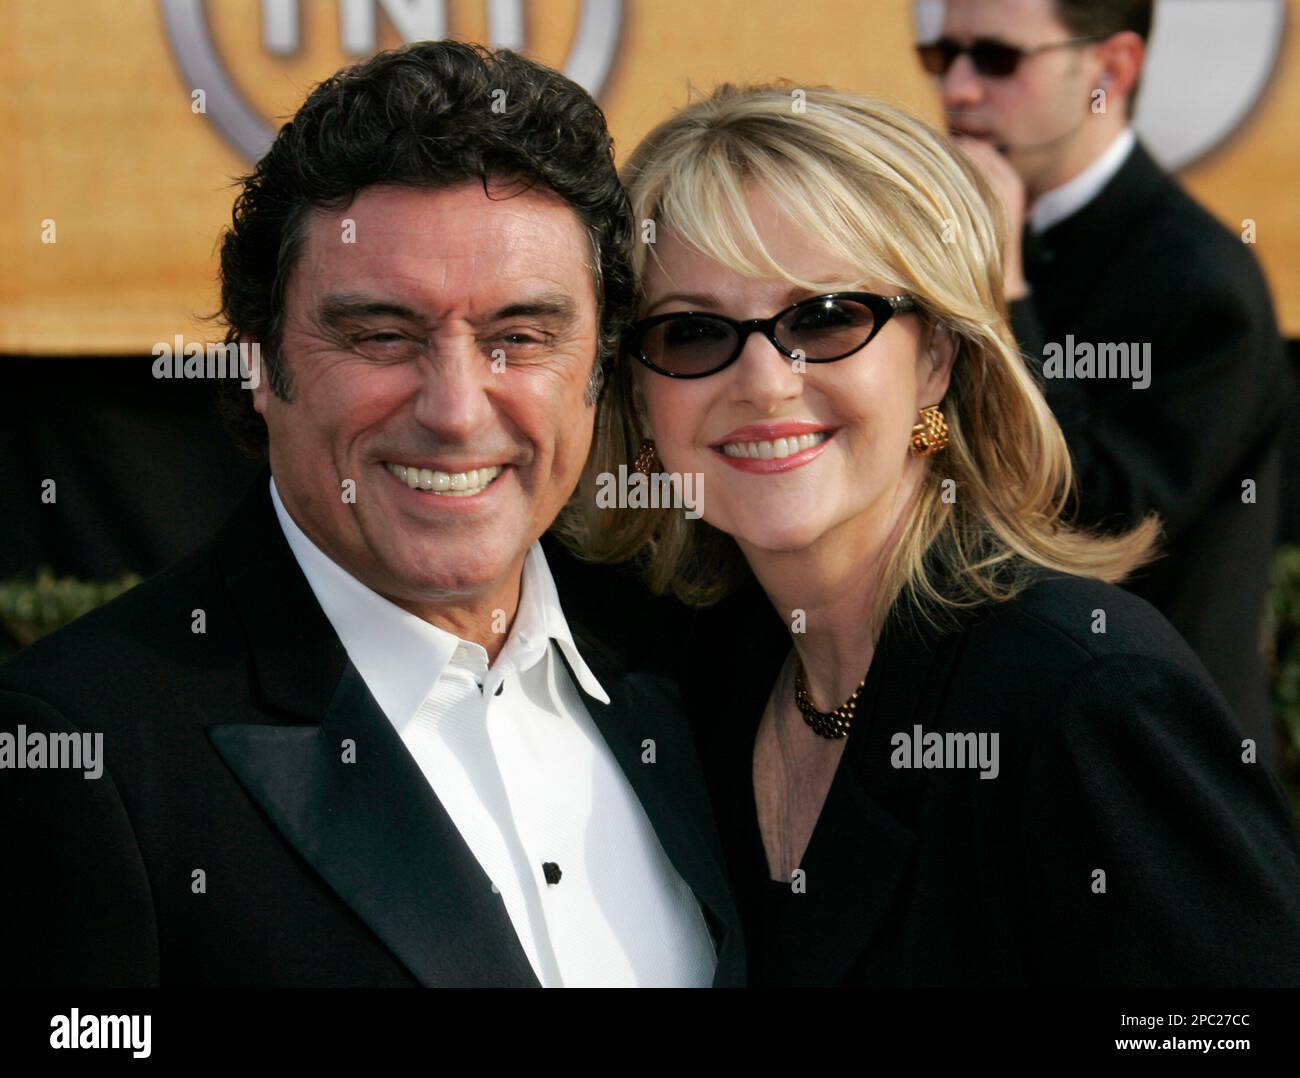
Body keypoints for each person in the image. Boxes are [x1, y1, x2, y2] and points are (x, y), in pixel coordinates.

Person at [0, 41, 741, 988]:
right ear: (262, 363)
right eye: (383, 336)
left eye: (520, 337)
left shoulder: (698, 663)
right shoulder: (84, 753)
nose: (456, 409)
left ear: (599, 370)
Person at [557, 84, 1300, 986]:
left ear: (937, 358)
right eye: (692, 333)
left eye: (824, 318)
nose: (762, 380)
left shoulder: (1085, 692)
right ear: (641, 395)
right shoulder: (695, 679)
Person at [920, 0, 1293, 766]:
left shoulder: (1200, 281)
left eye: (996, 58)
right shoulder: (948, 240)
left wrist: (1006, 292)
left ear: (1111, 68)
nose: (957, 87)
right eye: (942, 55)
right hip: (1002, 738)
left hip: (1156, 757)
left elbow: (1090, 525)